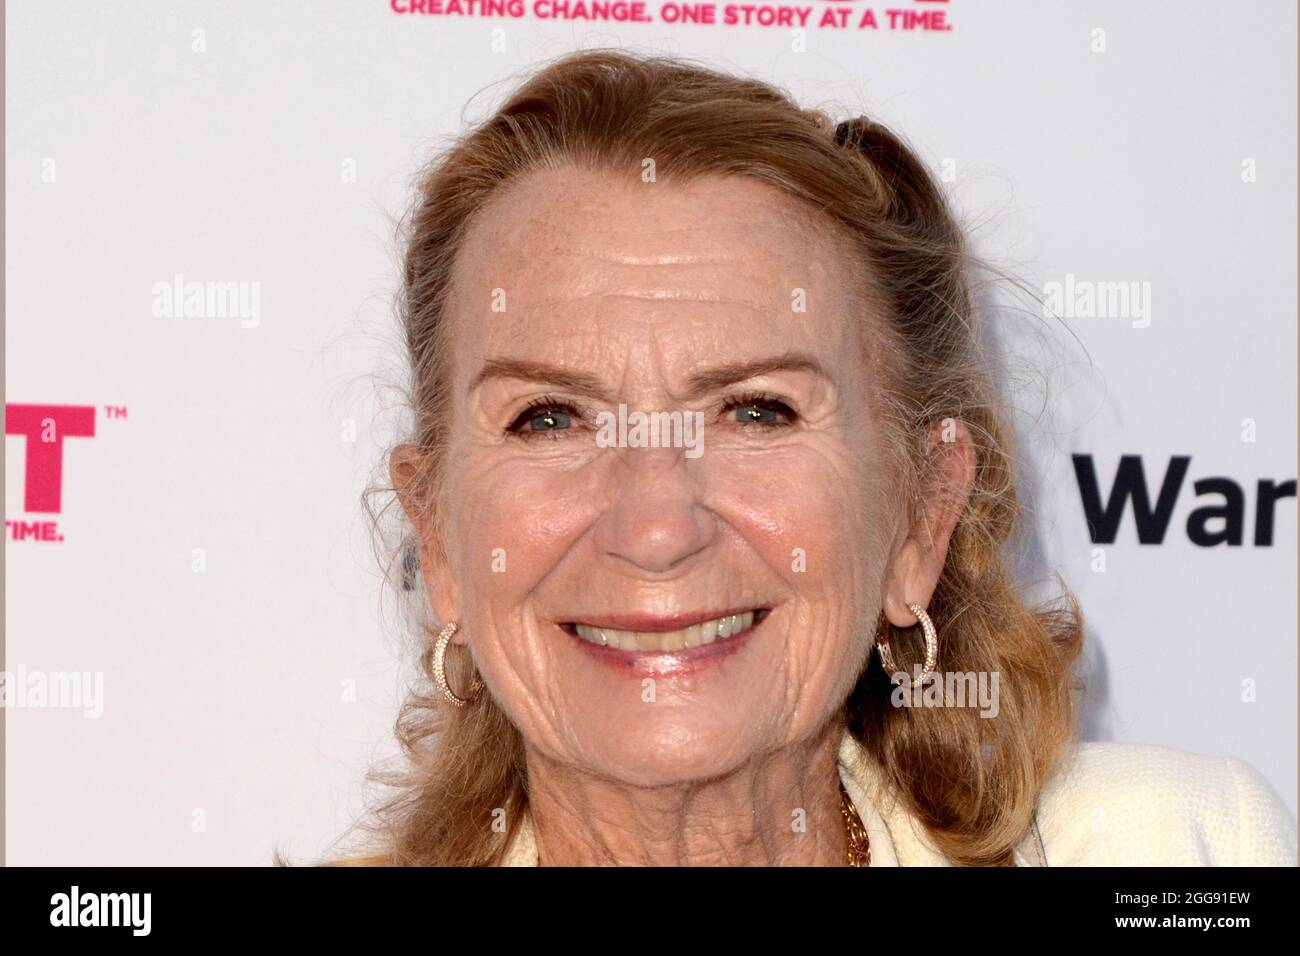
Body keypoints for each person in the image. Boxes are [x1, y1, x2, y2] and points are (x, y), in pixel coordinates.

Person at [331, 49, 1296, 866]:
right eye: (551, 419)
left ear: (921, 514)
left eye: (756, 410)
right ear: (441, 536)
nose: (657, 528)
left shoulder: (1187, 852)